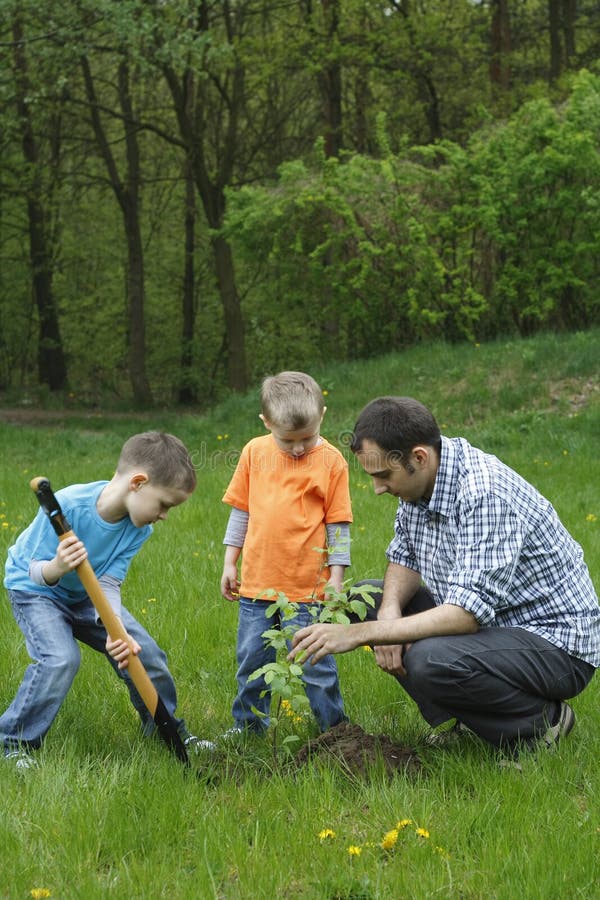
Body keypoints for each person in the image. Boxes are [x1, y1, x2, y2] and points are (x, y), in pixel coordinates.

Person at [289, 396, 600, 757]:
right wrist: (388, 612)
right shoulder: (420, 483)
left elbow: (465, 616)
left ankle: (539, 724)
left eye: (383, 476)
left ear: (418, 457)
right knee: (368, 601)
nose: (377, 488)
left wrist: (359, 635)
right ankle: (472, 720)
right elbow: (404, 555)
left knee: (429, 659)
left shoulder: (485, 492)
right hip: (495, 629)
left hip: (554, 645)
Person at [2, 431, 206, 769]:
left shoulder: (139, 529)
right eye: (165, 504)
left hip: (86, 595)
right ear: (138, 483)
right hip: (37, 590)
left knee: (146, 654)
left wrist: (115, 631)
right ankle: (13, 742)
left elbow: (108, 582)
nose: (165, 516)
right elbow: (32, 570)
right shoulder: (67, 506)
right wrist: (58, 566)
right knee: (60, 659)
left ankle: (165, 730)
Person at [220, 371, 353, 735]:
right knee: (252, 662)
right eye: (287, 440)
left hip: (308, 590)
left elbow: (338, 526)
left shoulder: (331, 461)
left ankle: (334, 731)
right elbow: (241, 511)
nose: (297, 448)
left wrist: (336, 579)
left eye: (306, 438)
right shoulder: (254, 453)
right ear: (267, 423)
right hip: (257, 586)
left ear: (321, 416)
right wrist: (230, 562)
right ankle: (249, 729)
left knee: (316, 665)